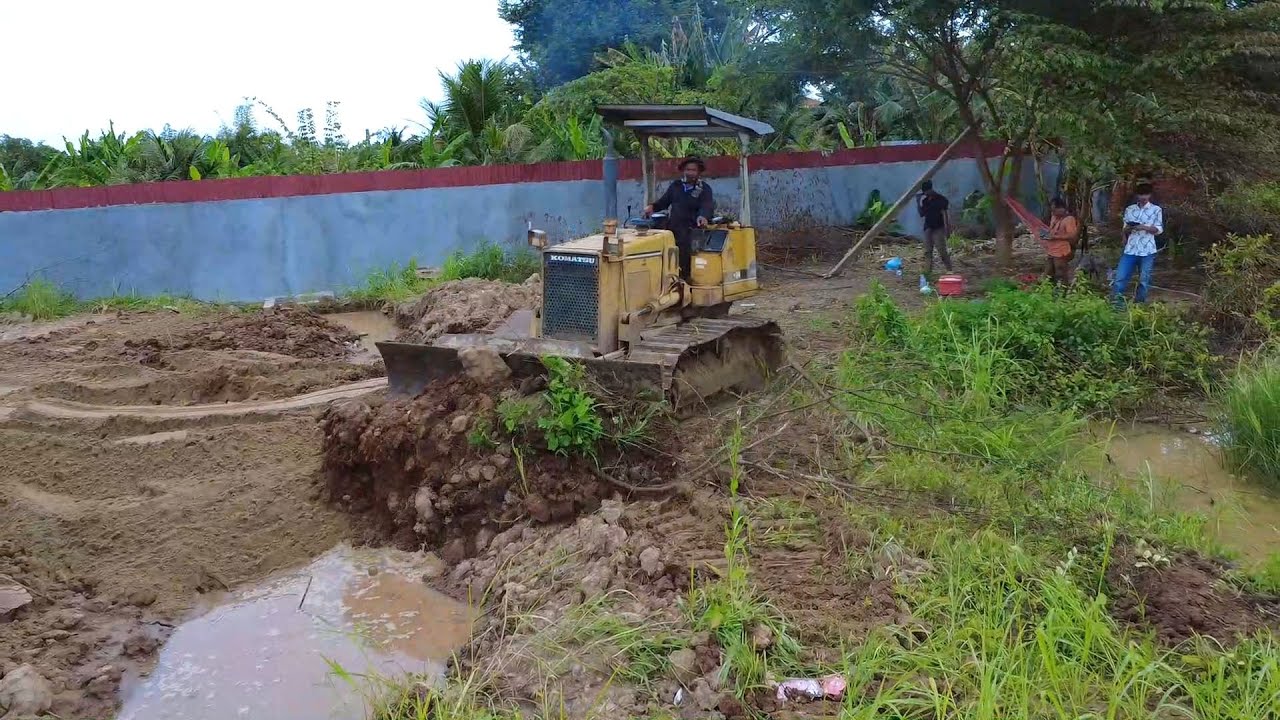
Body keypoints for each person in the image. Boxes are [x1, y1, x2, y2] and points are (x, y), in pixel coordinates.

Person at [645, 157, 714, 280]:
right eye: (687, 169)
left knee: (685, 261)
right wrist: (653, 207)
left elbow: (707, 205)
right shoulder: (676, 186)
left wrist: (703, 216)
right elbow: (664, 202)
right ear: (683, 170)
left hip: (692, 231)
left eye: (693, 170)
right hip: (674, 229)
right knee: (669, 259)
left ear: (698, 172)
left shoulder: (704, 189)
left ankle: (686, 285)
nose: (690, 173)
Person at [1112, 182, 1163, 304]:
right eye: (1141, 195)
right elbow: (1124, 228)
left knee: (1143, 280)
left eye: (1145, 195)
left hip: (1147, 250)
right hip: (1131, 248)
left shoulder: (1156, 210)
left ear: (1150, 195)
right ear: (1137, 195)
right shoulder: (1130, 209)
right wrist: (1130, 228)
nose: (1143, 197)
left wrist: (1143, 227)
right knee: (1120, 278)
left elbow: (1159, 229)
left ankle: (1138, 306)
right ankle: (1117, 305)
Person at [917, 180, 953, 274]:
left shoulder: (941, 200)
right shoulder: (925, 201)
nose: (925, 194)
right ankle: (928, 272)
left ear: (930, 189)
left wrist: (947, 229)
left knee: (941, 249)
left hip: (938, 227)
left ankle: (949, 270)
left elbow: (945, 215)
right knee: (928, 251)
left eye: (926, 191)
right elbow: (921, 214)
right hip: (928, 227)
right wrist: (918, 202)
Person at [1042, 197, 1080, 286]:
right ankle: (1049, 291)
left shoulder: (1069, 219)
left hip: (1061, 251)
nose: (1053, 212)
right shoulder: (1054, 216)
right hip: (1052, 250)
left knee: (1061, 273)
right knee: (1048, 274)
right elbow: (1051, 229)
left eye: (1054, 210)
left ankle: (1063, 291)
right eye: (1052, 210)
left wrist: (1055, 237)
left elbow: (1072, 236)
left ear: (1061, 208)